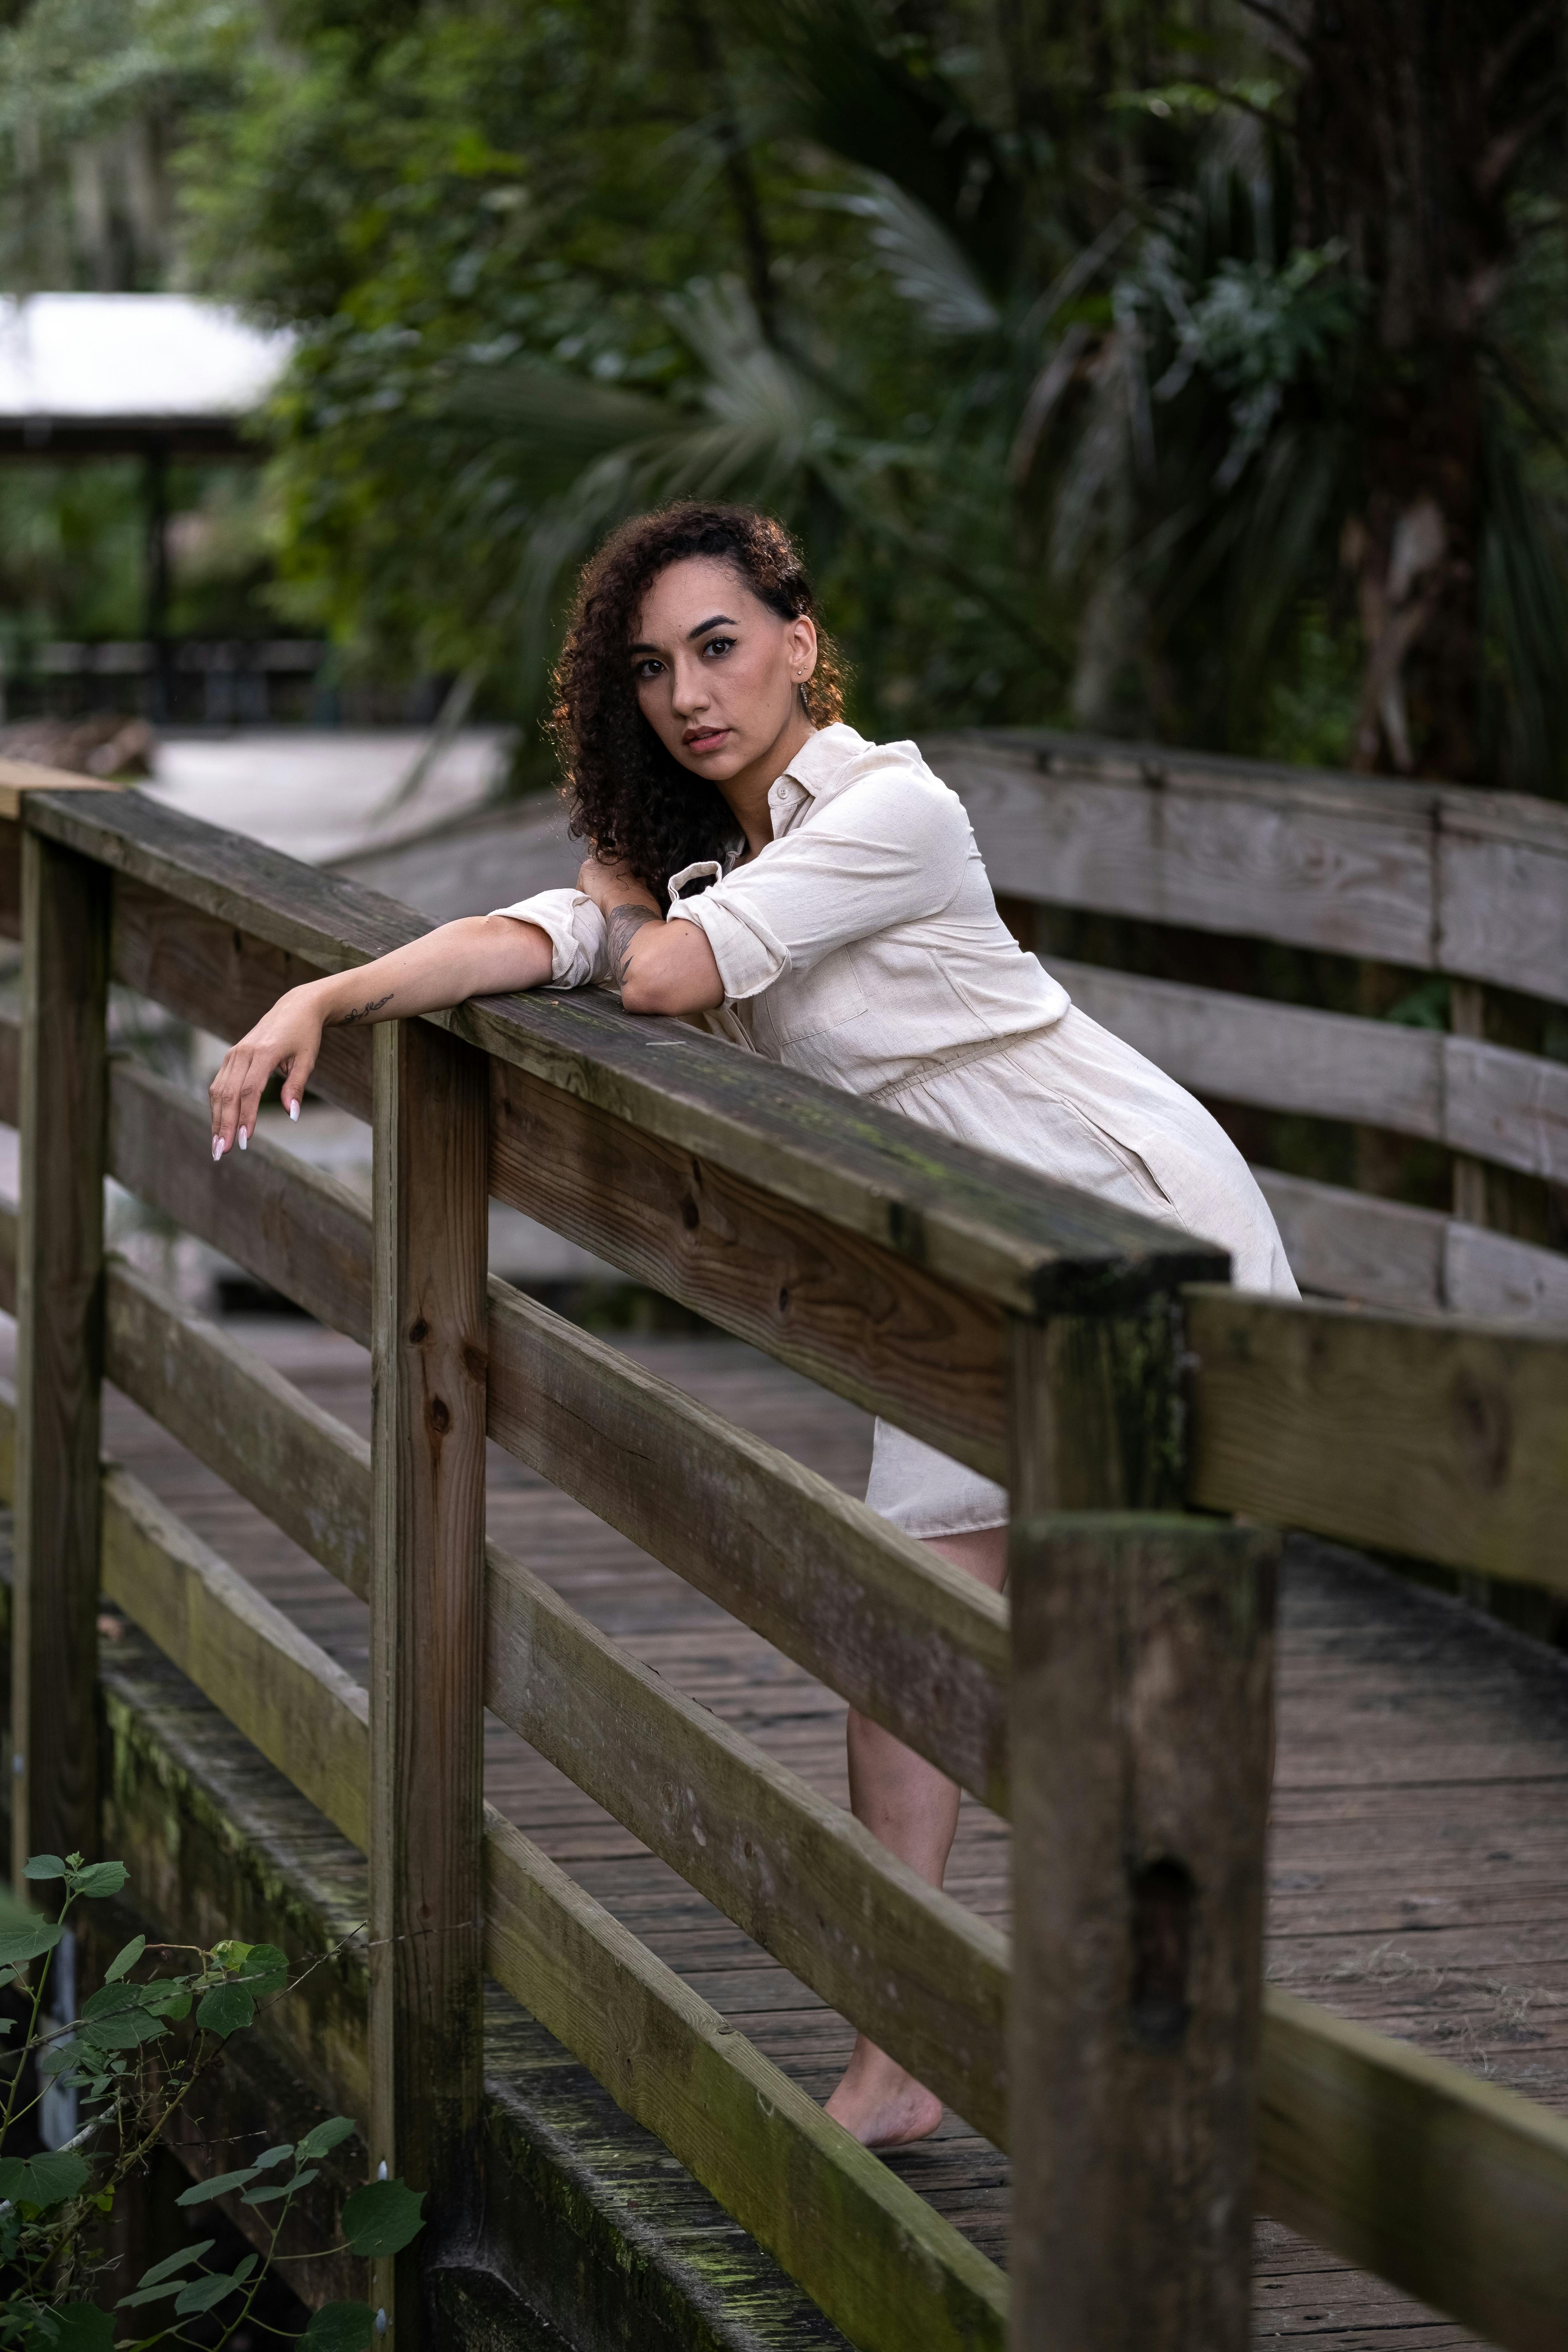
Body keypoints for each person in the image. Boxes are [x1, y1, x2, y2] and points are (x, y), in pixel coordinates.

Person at [209, 501, 1298, 2152]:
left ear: (799, 641)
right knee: (899, 1641)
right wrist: (326, 996)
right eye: (651, 669)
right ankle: (902, 2053)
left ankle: (1176, 2061)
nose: (688, 694)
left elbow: (657, 977)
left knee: (1135, 1646)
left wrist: (608, 902)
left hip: (1131, 1225)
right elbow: (533, 940)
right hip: (968, 1267)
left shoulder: (891, 809)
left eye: (718, 647)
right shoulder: (709, 859)